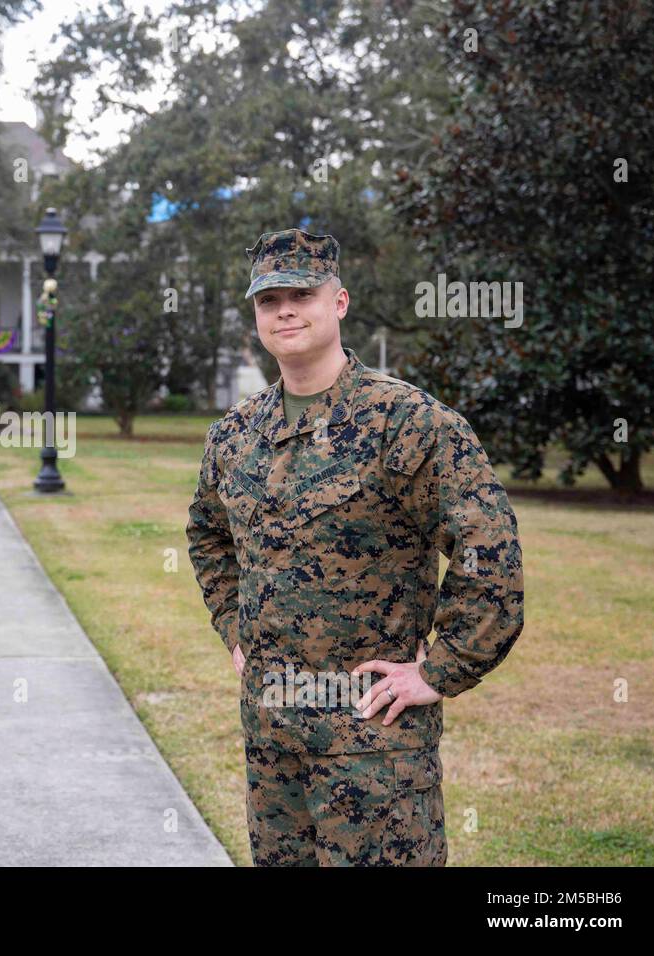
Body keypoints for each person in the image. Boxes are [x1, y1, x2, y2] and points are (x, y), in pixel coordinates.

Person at [185, 227, 524, 866]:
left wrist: (439, 670)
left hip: (374, 752)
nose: (284, 309)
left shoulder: (409, 424)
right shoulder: (235, 434)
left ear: (338, 303)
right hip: (273, 743)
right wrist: (234, 625)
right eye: (268, 299)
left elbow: (490, 553)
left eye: (302, 294)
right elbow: (207, 532)